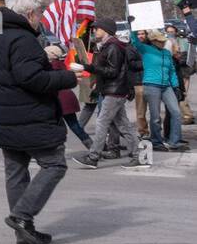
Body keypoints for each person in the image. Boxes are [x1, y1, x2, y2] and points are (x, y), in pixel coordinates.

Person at [0, 0, 79, 244]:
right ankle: (21, 217)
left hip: (3, 117)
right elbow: (32, 79)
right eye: (39, 14)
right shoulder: (24, 39)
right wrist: (67, 77)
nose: (41, 18)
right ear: (29, 14)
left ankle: (24, 231)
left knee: (16, 171)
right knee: (54, 164)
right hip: (30, 115)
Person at [74, 19, 147, 170]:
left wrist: (88, 67)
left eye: (97, 29)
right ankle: (139, 155)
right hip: (114, 90)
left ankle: (93, 157)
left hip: (115, 91)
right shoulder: (108, 46)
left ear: (105, 30)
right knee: (123, 125)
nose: (94, 31)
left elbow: (112, 72)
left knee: (102, 123)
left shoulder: (113, 46)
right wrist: (97, 89)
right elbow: (108, 71)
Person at [133, 29, 189, 152]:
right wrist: (133, 27)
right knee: (156, 116)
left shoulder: (166, 53)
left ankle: (174, 141)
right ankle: (156, 141)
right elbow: (135, 42)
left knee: (176, 112)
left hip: (167, 86)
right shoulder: (146, 50)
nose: (163, 43)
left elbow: (172, 71)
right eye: (160, 41)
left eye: (163, 41)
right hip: (151, 85)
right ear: (153, 41)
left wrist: (176, 87)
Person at [44, 44, 92, 149]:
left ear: (52, 55)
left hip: (60, 100)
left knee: (52, 125)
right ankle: (93, 146)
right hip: (66, 99)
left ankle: (50, 148)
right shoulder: (61, 65)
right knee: (74, 125)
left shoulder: (52, 67)